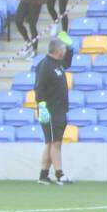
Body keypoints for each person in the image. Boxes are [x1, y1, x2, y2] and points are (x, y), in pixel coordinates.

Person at [34, 34, 76, 186]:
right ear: (58, 51)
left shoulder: (57, 63)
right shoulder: (45, 65)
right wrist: (42, 105)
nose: (65, 52)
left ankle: (43, 175)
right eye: (64, 49)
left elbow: (68, 63)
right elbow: (38, 87)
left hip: (59, 109)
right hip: (50, 109)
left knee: (50, 143)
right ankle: (59, 174)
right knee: (55, 143)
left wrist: (71, 48)